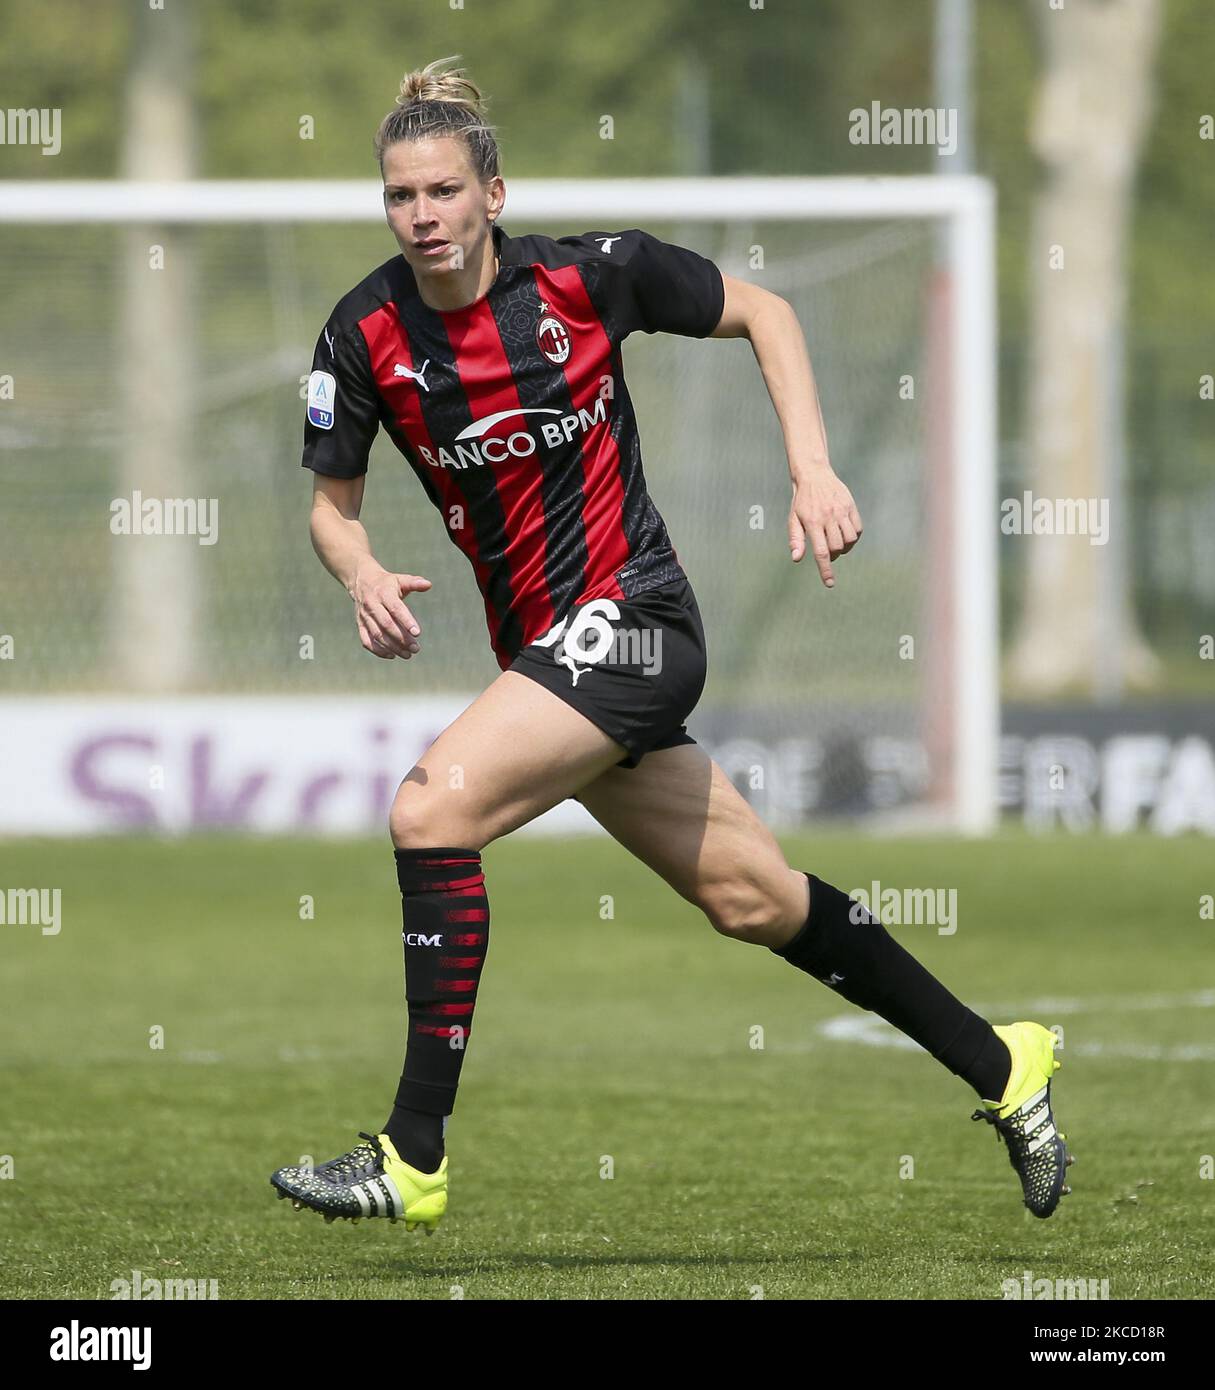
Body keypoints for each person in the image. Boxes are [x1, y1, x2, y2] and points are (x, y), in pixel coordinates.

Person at [270, 57, 1072, 1232]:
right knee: (756, 899)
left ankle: (412, 1155)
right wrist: (359, 574)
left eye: (443, 190)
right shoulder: (365, 334)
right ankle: (1007, 1064)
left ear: (494, 191)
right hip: (551, 657)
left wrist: (809, 462)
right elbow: (329, 507)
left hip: (641, 624)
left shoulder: (592, 277)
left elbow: (767, 311)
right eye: (401, 197)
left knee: (429, 808)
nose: (423, 216)